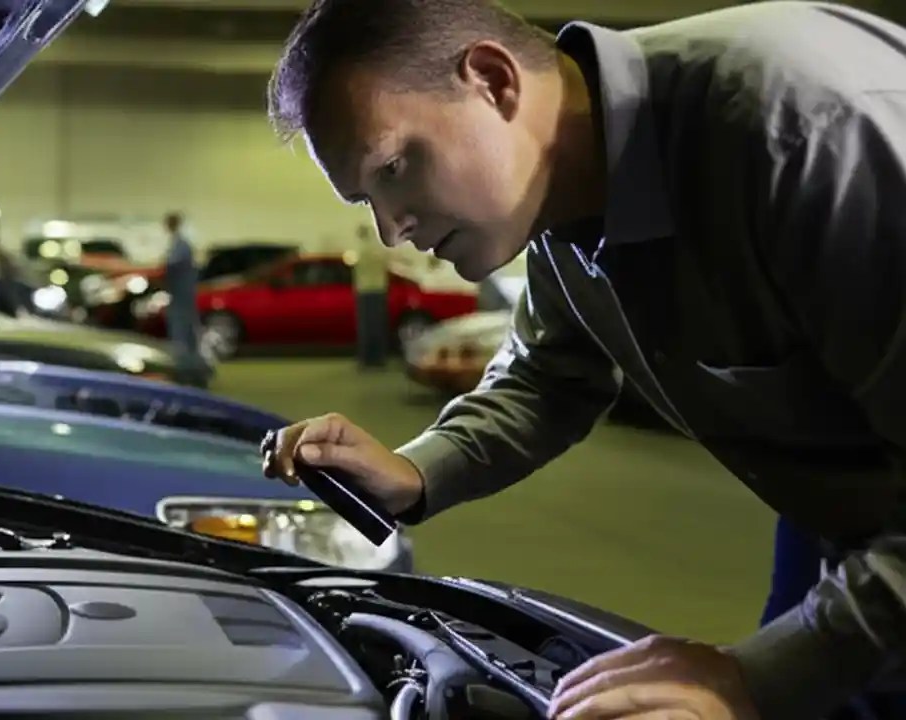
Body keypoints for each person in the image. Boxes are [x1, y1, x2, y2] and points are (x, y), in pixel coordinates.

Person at [261, 1, 906, 718]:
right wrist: (415, 472)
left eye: (395, 167)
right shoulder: (561, 190)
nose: (391, 229)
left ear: (491, 80)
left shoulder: (809, 128)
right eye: (366, 199)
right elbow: (547, 375)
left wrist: (762, 672)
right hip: (847, 521)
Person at [163, 212, 211, 387]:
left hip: (181, 297)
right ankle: (197, 370)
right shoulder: (180, 243)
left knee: (182, 334)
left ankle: (191, 371)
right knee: (187, 333)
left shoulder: (180, 245)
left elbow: (169, 266)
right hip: (182, 296)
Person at [352, 223, 390, 368]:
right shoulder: (378, 250)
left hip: (365, 291)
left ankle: (367, 359)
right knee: (378, 326)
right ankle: (378, 358)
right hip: (379, 290)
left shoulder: (361, 251)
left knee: (366, 327)